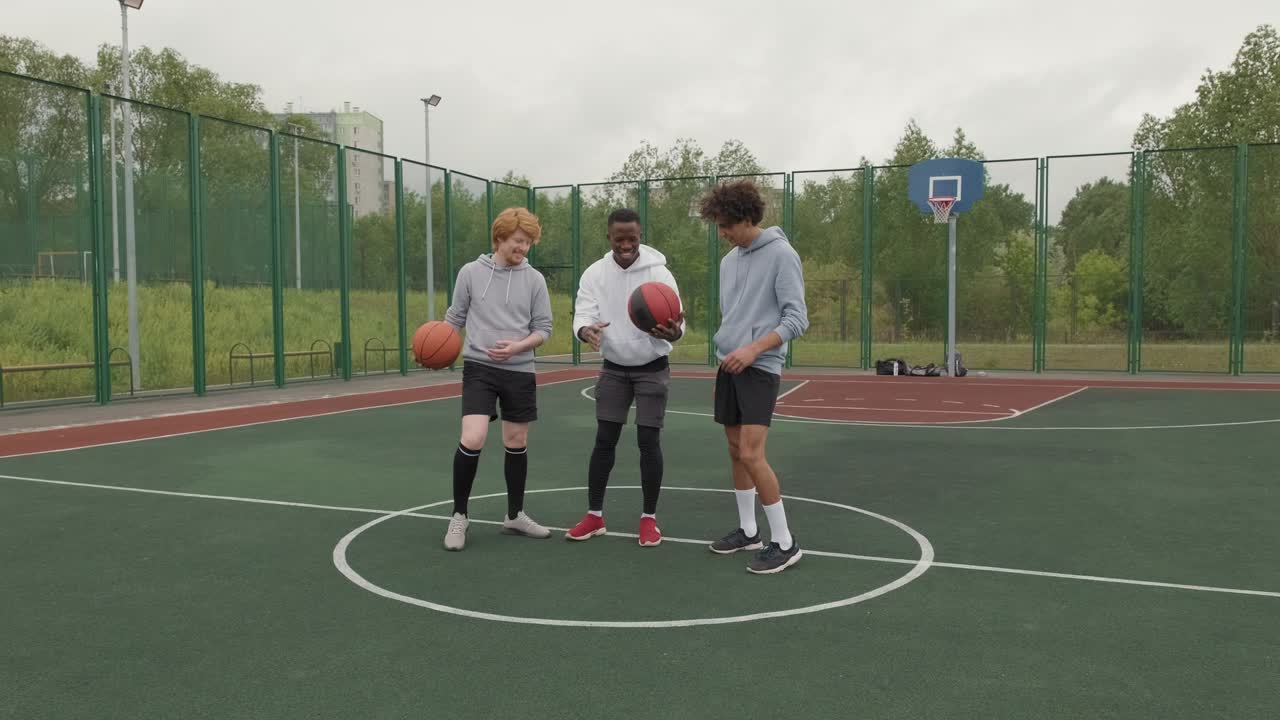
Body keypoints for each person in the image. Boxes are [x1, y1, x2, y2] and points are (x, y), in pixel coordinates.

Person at [699, 180, 809, 574]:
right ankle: (749, 531)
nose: (722, 233)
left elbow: (797, 319)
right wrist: (731, 349)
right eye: (718, 225)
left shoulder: (782, 255)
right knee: (734, 451)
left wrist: (753, 349)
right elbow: (733, 315)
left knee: (750, 453)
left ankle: (786, 542)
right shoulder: (728, 262)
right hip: (729, 364)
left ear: (748, 218)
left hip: (760, 366)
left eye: (726, 225)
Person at [566, 208, 684, 547]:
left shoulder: (659, 274)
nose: (626, 244)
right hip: (614, 368)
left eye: (632, 238)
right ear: (609, 237)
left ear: (640, 235)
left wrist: (674, 332)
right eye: (620, 239)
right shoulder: (595, 274)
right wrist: (585, 330)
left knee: (648, 442)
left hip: (652, 367)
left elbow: (678, 325)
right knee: (604, 440)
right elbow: (582, 315)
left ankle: (649, 520)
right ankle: (594, 516)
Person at [440, 207, 555, 551]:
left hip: (519, 369)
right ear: (499, 238)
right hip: (480, 368)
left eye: (528, 242)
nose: (523, 248)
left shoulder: (535, 280)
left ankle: (515, 515)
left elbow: (544, 329)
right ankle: (459, 516)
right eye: (518, 240)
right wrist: (436, 345)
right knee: (473, 436)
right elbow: (455, 318)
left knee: (516, 440)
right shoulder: (470, 273)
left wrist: (519, 346)